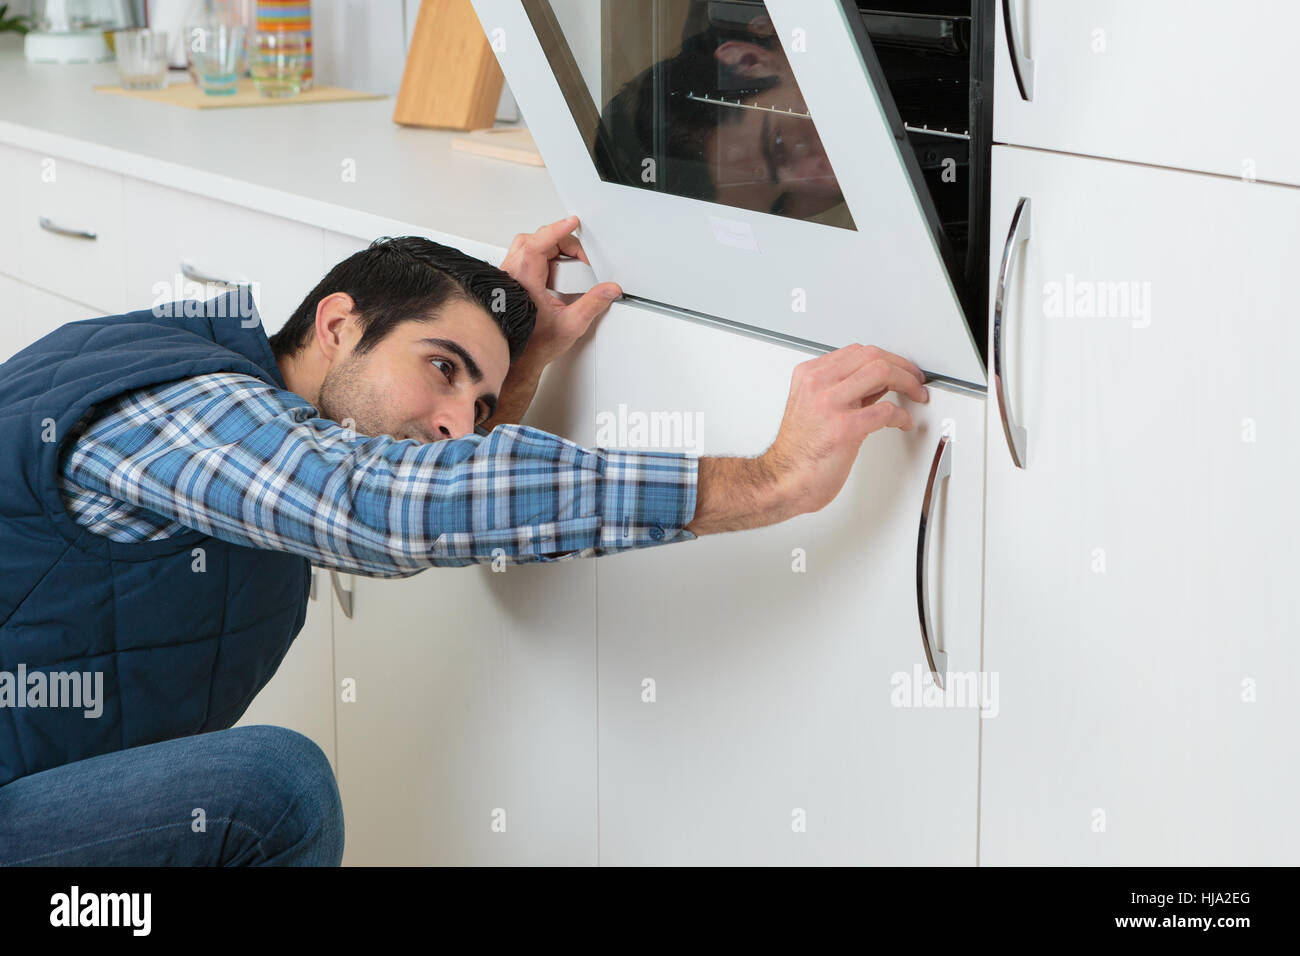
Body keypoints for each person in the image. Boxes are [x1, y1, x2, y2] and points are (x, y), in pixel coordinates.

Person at [0, 215, 926, 865]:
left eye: (477, 402)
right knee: (271, 792)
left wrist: (511, 372)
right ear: (338, 323)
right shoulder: (179, 410)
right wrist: (763, 478)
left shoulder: (246, 421)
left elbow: (421, 499)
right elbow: (380, 506)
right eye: (442, 368)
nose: (458, 423)